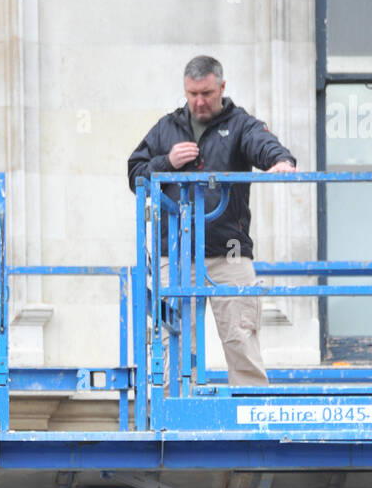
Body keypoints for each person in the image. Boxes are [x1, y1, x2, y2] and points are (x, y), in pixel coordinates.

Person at [127, 54, 297, 388]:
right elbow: (135, 176)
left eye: (206, 93)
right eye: (192, 94)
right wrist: (167, 161)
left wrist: (281, 161)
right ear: (185, 90)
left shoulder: (240, 124)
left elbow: (261, 143)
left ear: (222, 87)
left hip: (229, 251)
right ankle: (173, 421)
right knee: (171, 345)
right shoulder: (166, 128)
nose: (199, 102)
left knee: (241, 339)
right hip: (174, 254)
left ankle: (252, 419)